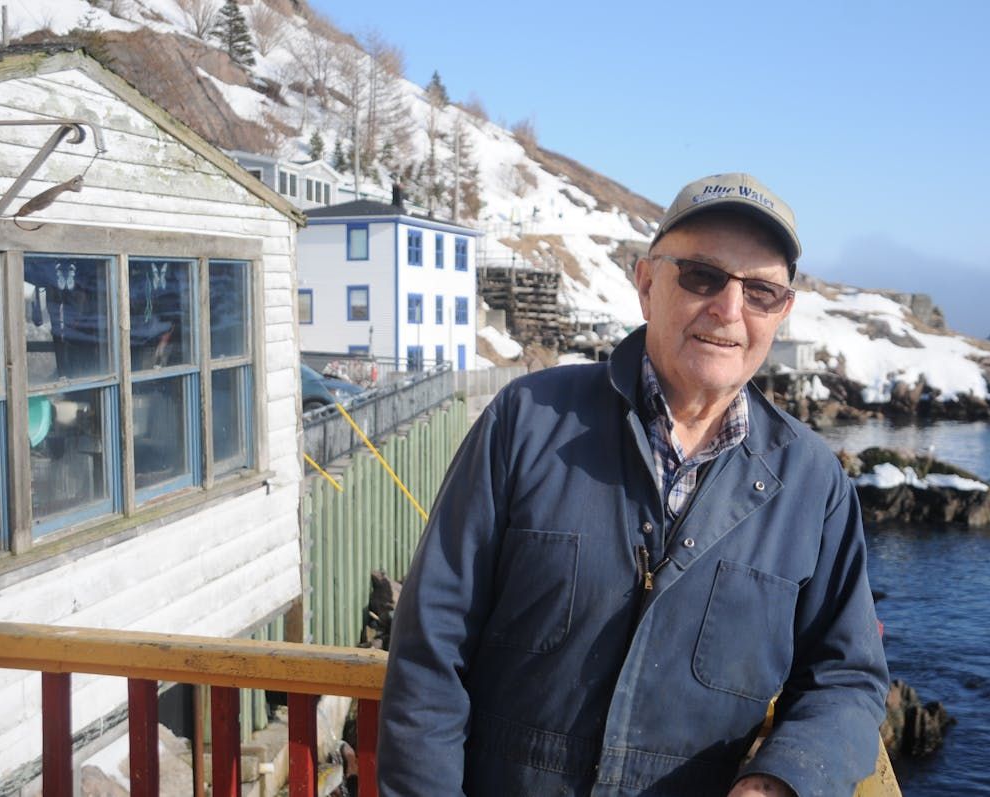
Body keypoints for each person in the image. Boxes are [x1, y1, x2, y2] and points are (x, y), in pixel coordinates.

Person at [378, 173, 889, 796]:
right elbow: (430, 650)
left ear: (781, 313)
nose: (729, 310)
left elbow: (847, 678)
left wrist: (784, 779)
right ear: (647, 284)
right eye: (702, 276)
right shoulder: (527, 422)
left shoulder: (813, 483)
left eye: (759, 291)